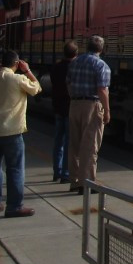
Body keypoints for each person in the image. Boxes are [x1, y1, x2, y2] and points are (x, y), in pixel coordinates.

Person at [0, 50, 41, 217]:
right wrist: (28, 71)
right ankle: (14, 206)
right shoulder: (19, 79)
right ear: (17, 64)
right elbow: (37, 88)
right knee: (15, 169)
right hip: (12, 132)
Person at [66, 35, 111, 194]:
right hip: (92, 105)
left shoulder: (75, 62)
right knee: (90, 146)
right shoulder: (101, 65)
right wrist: (107, 110)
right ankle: (87, 183)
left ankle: (74, 181)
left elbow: (69, 83)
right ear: (102, 48)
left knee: (74, 145)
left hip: (75, 104)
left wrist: (74, 99)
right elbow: (102, 90)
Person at [50, 40, 79, 184]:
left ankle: (57, 171)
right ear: (76, 54)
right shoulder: (75, 69)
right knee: (70, 141)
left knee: (58, 141)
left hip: (58, 107)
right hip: (70, 107)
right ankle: (66, 173)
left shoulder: (55, 67)